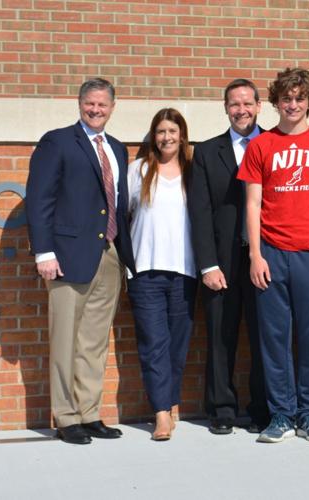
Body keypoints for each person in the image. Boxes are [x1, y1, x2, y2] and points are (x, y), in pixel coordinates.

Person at [26, 78, 136, 445]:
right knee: (65, 340)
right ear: (80, 103)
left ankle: (89, 413)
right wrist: (44, 251)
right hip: (67, 256)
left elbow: (118, 204)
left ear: (112, 107)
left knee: (93, 341)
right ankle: (67, 417)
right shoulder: (57, 142)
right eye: (90, 103)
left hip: (109, 254)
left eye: (102, 105)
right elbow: (39, 199)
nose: (95, 110)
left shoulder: (118, 149)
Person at [238, 67, 309, 443]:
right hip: (271, 252)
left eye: (300, 98)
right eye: (287, 98)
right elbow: (253, 204)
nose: (293, 104)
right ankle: (280, 414)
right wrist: (255, 255)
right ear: (277, 102)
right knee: (274, 339)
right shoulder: (261, 146)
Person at [188, 79, 269, 435]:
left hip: (264, 258)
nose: (241, 110)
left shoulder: (273, 144)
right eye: (234, 104)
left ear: (258, 106)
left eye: (247, 103)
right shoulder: (207, 152)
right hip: (222, 261)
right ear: (225, 108)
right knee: (221, 336)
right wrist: (208, 263)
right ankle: (221, 407)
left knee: (266, 335)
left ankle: (264, 406)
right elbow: (200, 212)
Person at [126, 108, 197, 441]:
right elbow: (122, 219)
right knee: (154, 344)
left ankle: (170, 399)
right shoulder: (138, 170)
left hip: (185, 272)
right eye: (160, 131)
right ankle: (161, 415)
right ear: (153, 135)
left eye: (172, 131)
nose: (166, 137)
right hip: (146, 273)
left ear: (182, 134)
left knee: (177, 346)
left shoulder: (193, 172)